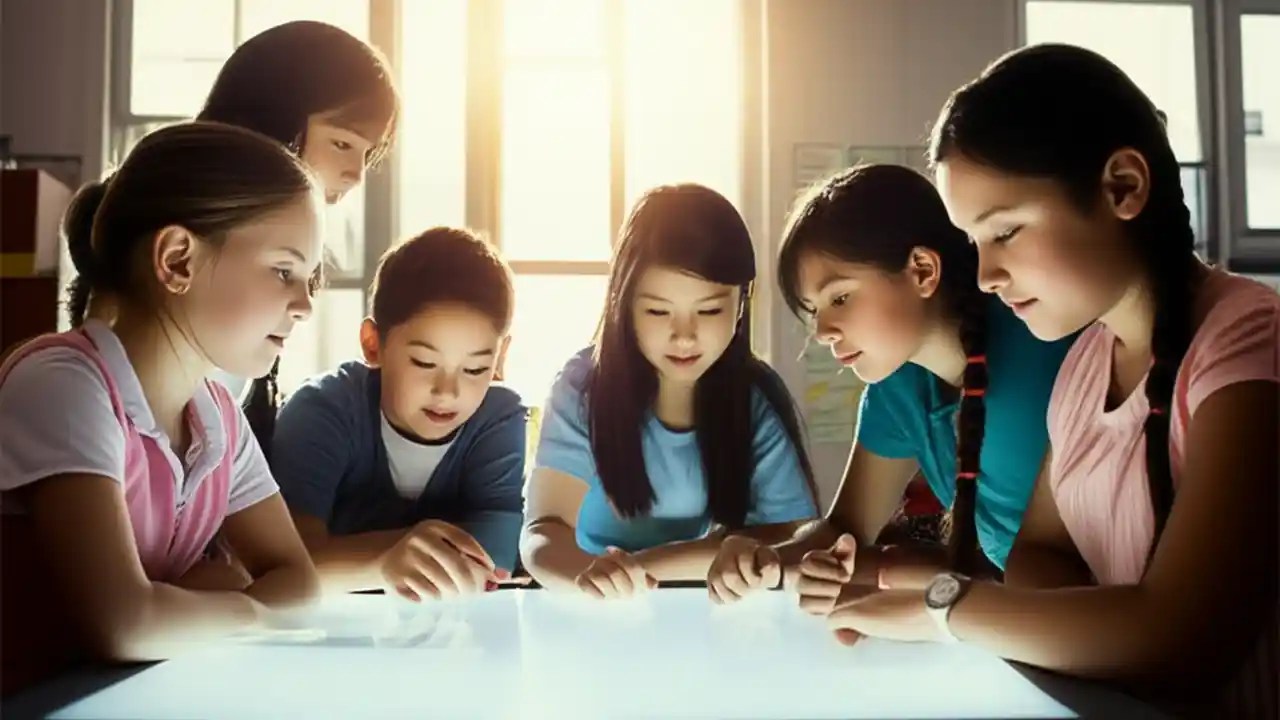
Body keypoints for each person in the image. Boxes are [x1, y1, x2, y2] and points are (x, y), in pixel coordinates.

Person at [828, 44, 1278, 717]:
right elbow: (1037, 553)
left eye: (1005, 230)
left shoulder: (1247, 341)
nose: (984, 276)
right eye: (973, 243)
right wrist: (1099, 623)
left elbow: (1179, 635)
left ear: (1123, 186)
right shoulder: (1084, 367)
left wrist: (949, 608)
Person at [0, 122, 324, 693]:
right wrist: (245, 607)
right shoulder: (64, 385)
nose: (304, 304)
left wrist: (192, 605)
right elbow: (126, 626)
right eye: (283, 270)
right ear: (177, 260)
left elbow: (298, 579)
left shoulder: (218, 415)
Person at [709, 164, 1075, 607]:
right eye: (813, 310)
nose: (822, 330)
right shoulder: (897, 389)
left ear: (922, 270)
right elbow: (846, 527)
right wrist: (765, 560)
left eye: (839, 297)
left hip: (1094, 617)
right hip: (1020, 622)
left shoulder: (1044, 344)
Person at [520, 184, 819, 598]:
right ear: (624, 305)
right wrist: (589, 580)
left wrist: (642, 569)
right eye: (658, 311)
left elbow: (796, 535)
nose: (684, 337)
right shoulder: (583, 387)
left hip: (692, 610)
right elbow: (543, 532)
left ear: (742, 302)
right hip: (584, 607)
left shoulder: (753, 400)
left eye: (710, 310)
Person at [270, 228, 526, 599]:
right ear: (373, 344)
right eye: (424, 362)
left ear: (500, 358)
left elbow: (495, 557)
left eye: (474, 369)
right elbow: (285, 561)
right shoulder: (322, 410)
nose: (448, 391)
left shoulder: (498, 419)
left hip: (450, 634)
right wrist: (391, 556)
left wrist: (353, 552)